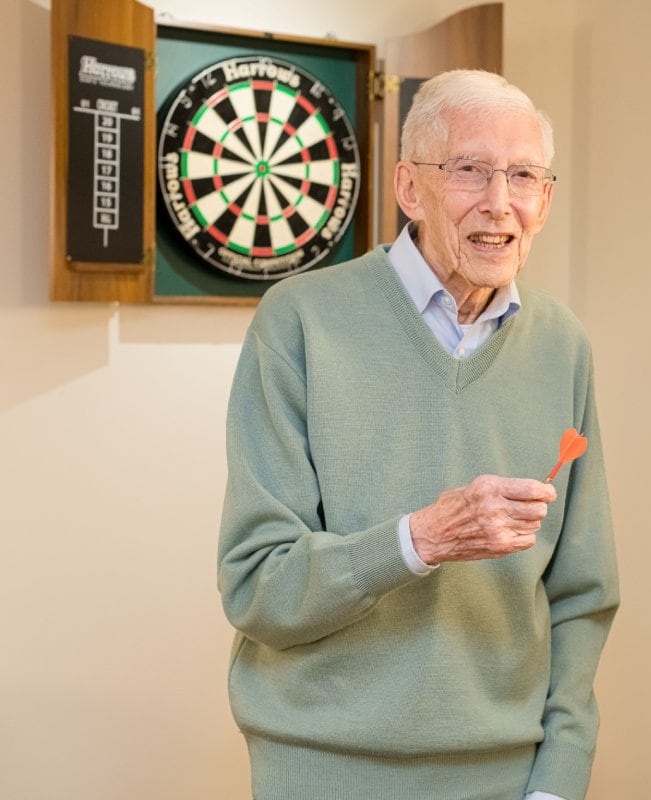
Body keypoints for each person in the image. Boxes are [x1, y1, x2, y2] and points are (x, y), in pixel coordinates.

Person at [217, 69, 619, 800]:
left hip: (510, 779)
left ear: (546, 198)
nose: (501, 203)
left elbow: (582, 596)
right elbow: (258, 587)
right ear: (410, 188)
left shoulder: (563, 344)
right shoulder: (300, 321)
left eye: (523, 176)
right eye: (470, 171)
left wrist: (559, 779)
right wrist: (420, 540)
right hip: (322, 771)